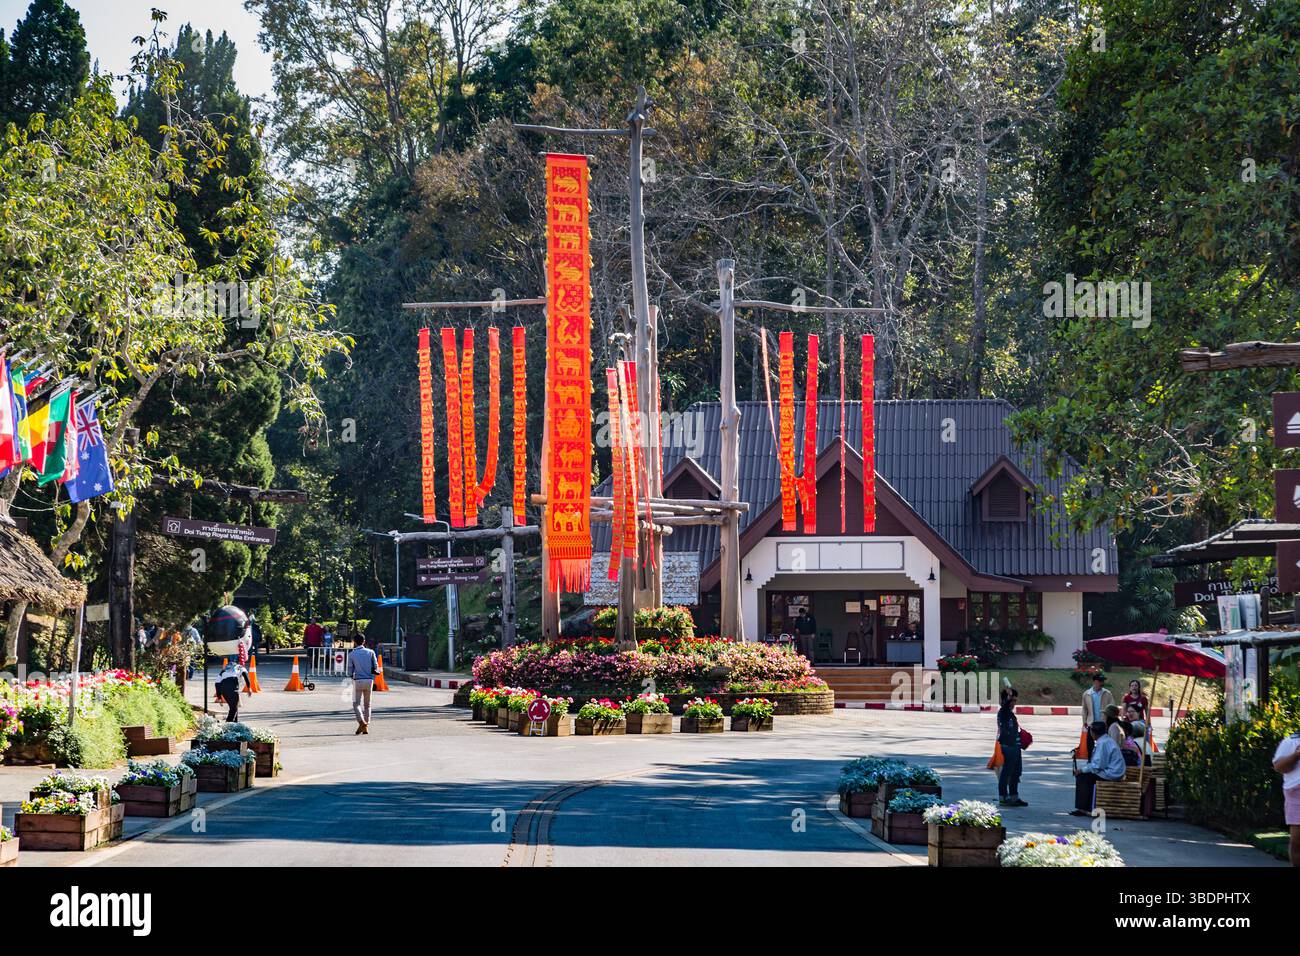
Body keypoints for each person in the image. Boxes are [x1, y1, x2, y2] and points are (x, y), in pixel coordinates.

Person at [1071, 720, 1126, 815]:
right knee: (1086, 774)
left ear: (1093, 733)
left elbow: (1098, 766)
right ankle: (1087, 805)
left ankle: (1084, 808)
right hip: (1112, 771)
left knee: (1083, 777)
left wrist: (1081, 770)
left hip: (1111, 773)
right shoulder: (1106, 740)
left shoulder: (1103, 743)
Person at [1272, 730, 1300, 867]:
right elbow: (1278, 766)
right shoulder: (1291, 741)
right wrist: (1295, 756)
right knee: (1297, 841)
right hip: (1296, 793)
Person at [996, 687, 1027, 807]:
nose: (1014, 703)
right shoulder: (1003, 712)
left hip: (1016, 746)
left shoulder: (1010, 713)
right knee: (1007, 773)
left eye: (1015, 700)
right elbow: (1005, 705)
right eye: (1013, 700)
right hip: (1008, 747)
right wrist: (1008, 697)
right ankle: (1003, 797)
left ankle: (1014, 797)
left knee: (1016, 772)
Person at [348, 632, 379, 735]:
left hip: (358, 681)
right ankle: (366, 726)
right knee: (367, 705)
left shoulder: (352, 654)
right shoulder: (371, 652)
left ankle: (362, 722)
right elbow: (376, 667)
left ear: (354, 642)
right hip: (369, 680)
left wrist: (351, 676)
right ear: (364, 641)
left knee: (356, 704)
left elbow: (349, 671)